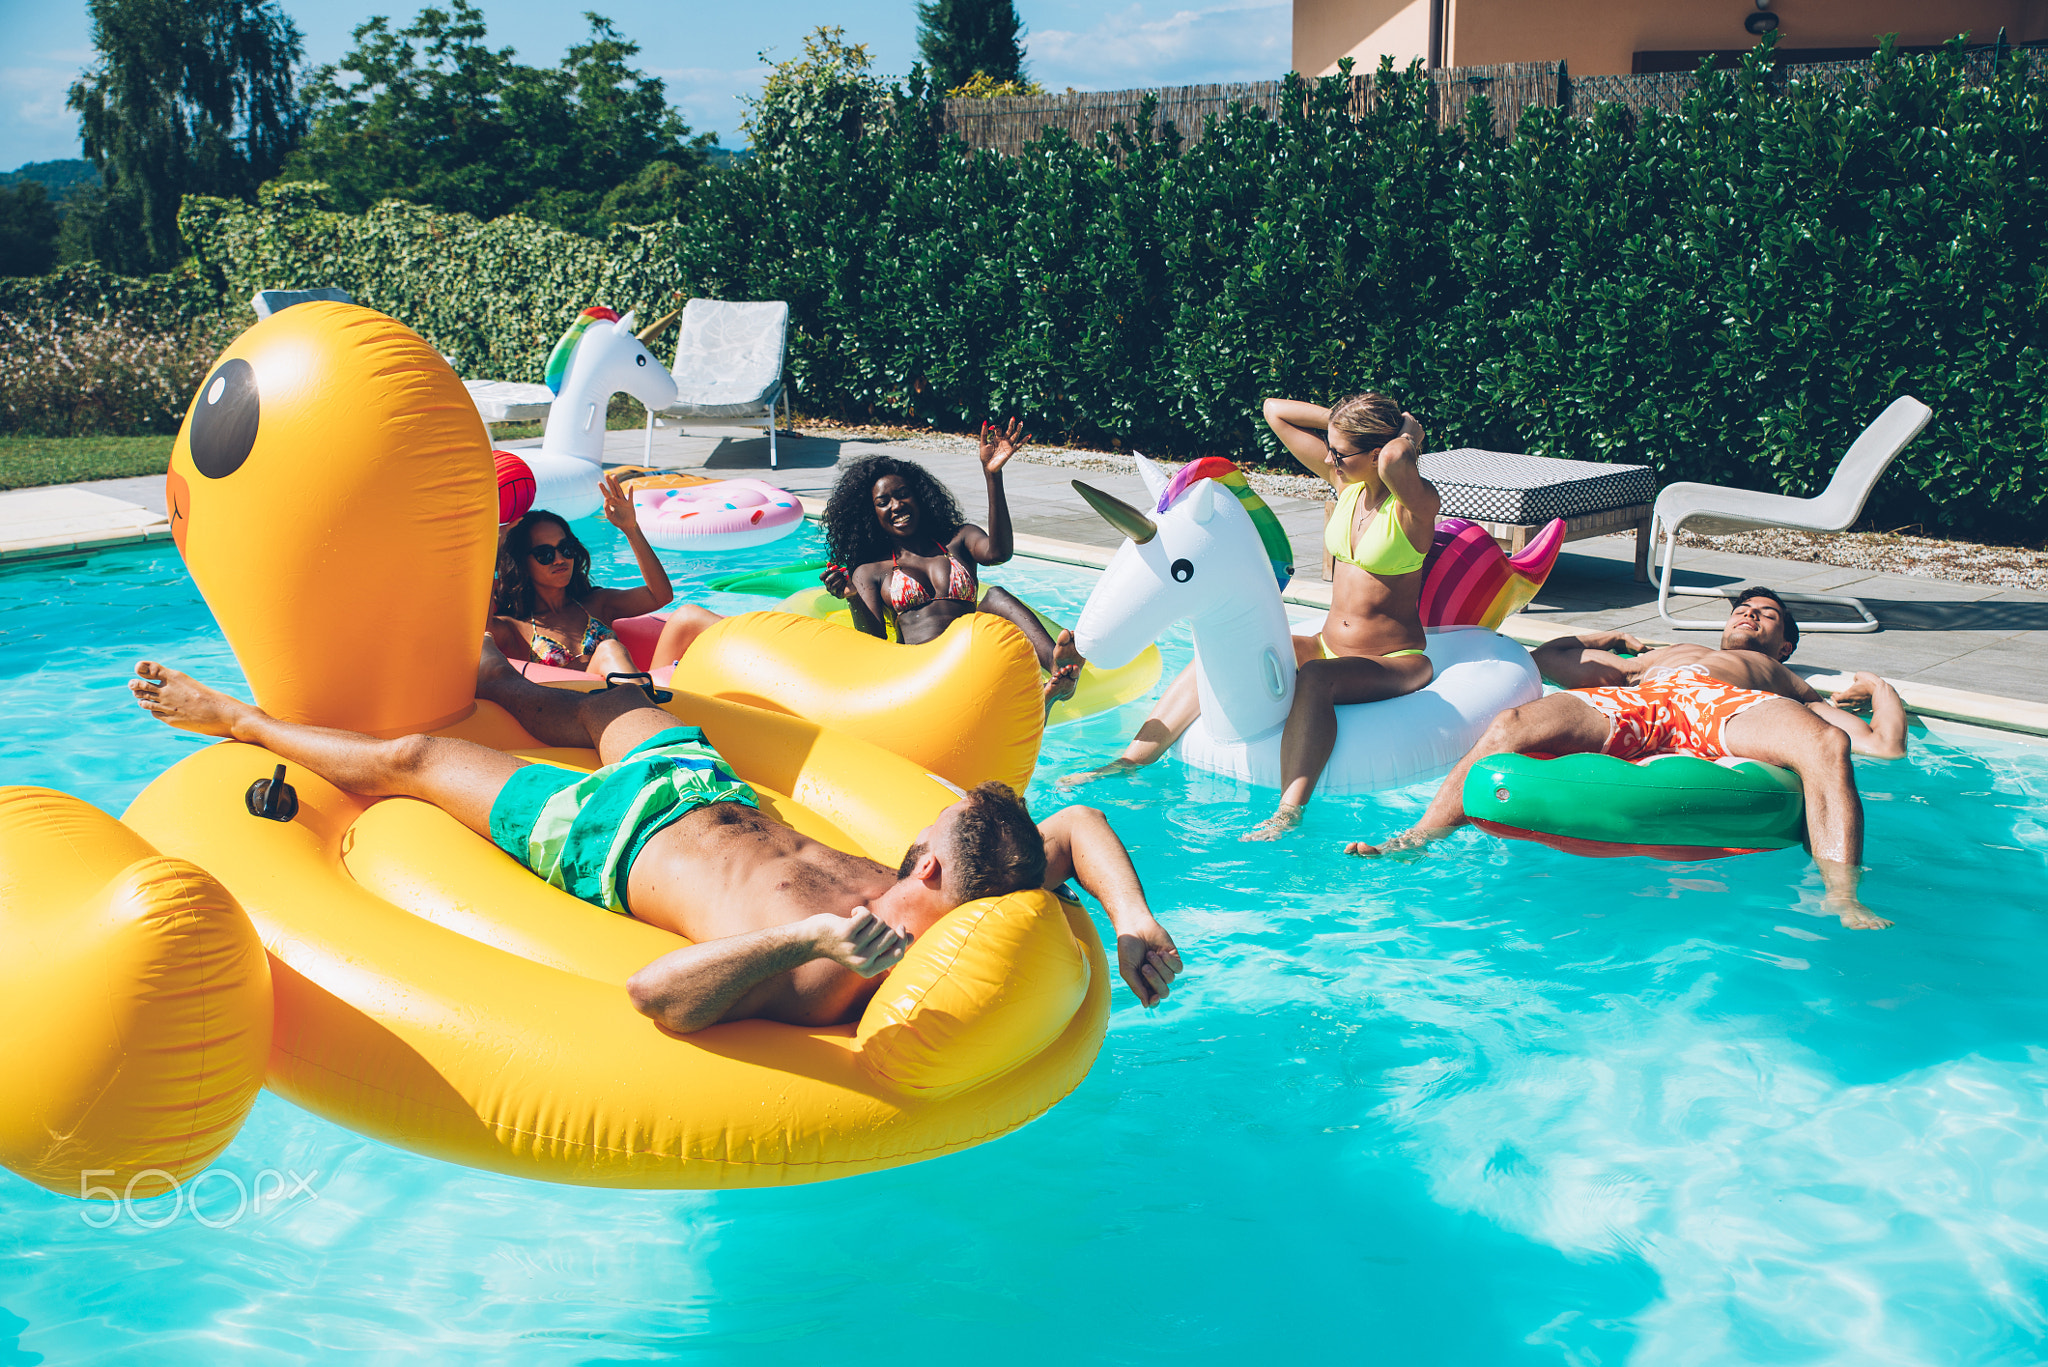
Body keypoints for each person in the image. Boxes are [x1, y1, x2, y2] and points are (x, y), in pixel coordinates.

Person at [127, 643, 1183, 1030]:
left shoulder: (844, 967)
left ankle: (236, 716)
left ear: (931, 862)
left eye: (937, 815)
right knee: (610, 698)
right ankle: (500, 669)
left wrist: (800, 943)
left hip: (604, 834)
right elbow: (1081, 818)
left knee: (409, 752)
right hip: (699, 781)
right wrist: (1132, 917)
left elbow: (655, 996)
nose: (926, 809)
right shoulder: (986, 875)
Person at [1347, 587, 1910, 930]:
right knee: (1513, 725)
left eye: (1766, 615)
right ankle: (1414, 839)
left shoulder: (1785, 678)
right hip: (1641, 698)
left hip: (1730, 705)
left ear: (1785, 644)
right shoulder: (1663, 653)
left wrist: (1878, 689)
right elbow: (1550, 659)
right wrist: (1609, 640)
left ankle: (1842, 896)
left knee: (1823, 746)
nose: (1749, 616)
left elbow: (1880, 746)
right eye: (1743, 609)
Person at [1062, 394, 1441, 840]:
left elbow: (1398, 454)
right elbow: (1272, 410)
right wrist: (1339, 424)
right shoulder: (1347, 488)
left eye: (1341, 453)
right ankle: (1132, 759)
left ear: (1378, 453)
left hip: (1395, 658)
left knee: (1318, 678)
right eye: (1330, 449)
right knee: (1225, 647)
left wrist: (1406, 431)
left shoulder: (1413, 508)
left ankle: (1288, 811)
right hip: (1327, 641)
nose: (1331, 459)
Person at [821, 422, 1084, 708]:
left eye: (903, 494)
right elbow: (874, 643)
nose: (896, 506)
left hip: (971, 656)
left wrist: (992, 475)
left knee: (995, 596)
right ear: (871, 514)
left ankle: (1057, 669)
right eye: (883, 502)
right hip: (921, 668)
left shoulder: (958, 539)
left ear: (920, 497)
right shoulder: (870, 571)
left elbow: (998, 553)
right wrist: (853, 598)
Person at [489, 472, 721, 677]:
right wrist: (494, 548)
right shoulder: (513, 629)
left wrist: (630, 529)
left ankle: (756, 634)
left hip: (641, 694)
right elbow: (470, 633)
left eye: (566, 548)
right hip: (585, 713)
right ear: (522, 563)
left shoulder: (597, 604)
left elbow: (660, 595)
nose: (560, 559)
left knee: (689, 615)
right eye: (545, 554)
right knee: (609, 650)